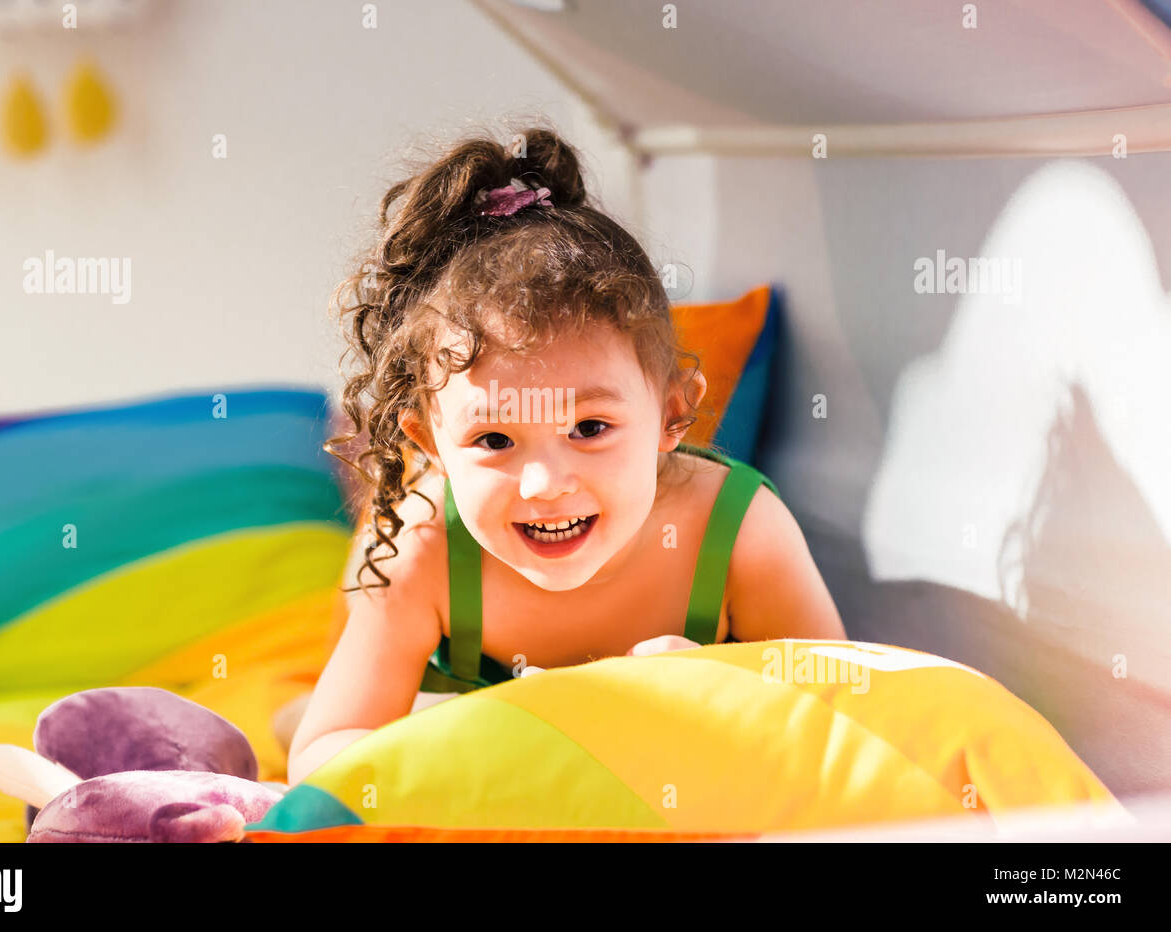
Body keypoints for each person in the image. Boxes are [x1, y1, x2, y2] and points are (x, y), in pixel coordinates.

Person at [285, 126, 844, 786]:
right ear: (432, 445)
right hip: (448, 698)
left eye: (589, 427)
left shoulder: (739, 532)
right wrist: (491, 749)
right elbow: (323, 757)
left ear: (672, 414)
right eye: (495, 440)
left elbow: (851, 714)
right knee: (306, 708)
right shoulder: (424, 548)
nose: (546, 484)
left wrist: (726, 688)